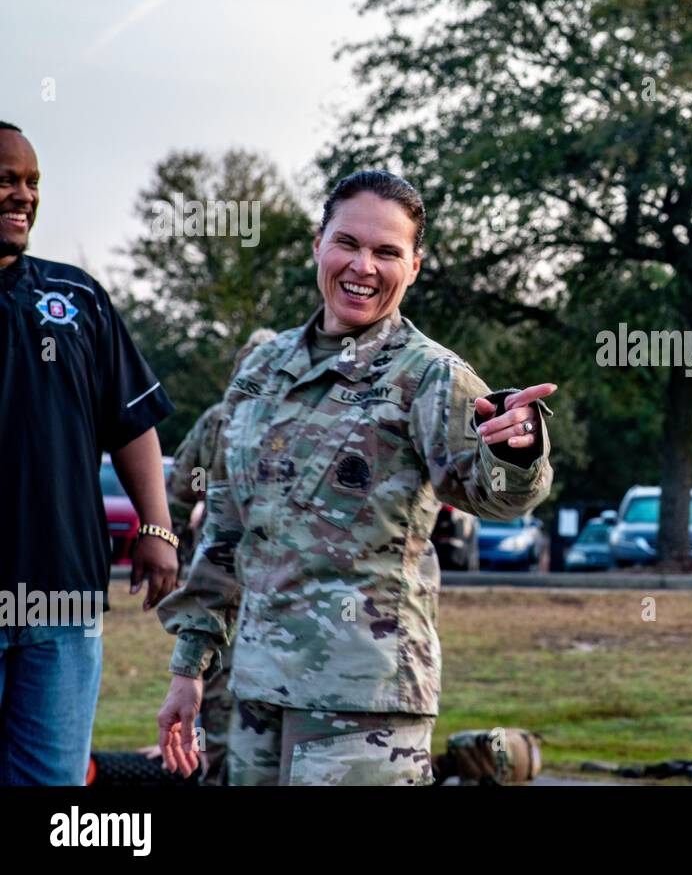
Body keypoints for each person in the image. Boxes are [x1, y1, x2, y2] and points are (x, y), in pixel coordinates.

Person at [155, 170, 555, 785]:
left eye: (387, 252)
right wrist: (190, 668)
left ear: (414, 266)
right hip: (256, 690)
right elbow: (227, 537)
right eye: (348, 243)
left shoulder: (430, 376)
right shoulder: (261, 370)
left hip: (365, 700)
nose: (363, 266)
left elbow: (487, 492)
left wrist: (519, 451)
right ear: (318, 244)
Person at [0, 120, 178, 785]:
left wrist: (156, 527)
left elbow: (130, 420)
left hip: (62, 601)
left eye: (32, 182)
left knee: (53, 784)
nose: (23, 196)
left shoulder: (75, 298)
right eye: (6, 179)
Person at [164, 326, 276, 785]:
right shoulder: (220, 423)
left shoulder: (229, 419)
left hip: (262, 592)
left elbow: (177, 497)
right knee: (216, 704)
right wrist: (181, 555)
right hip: (230, 588)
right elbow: (178, 496)